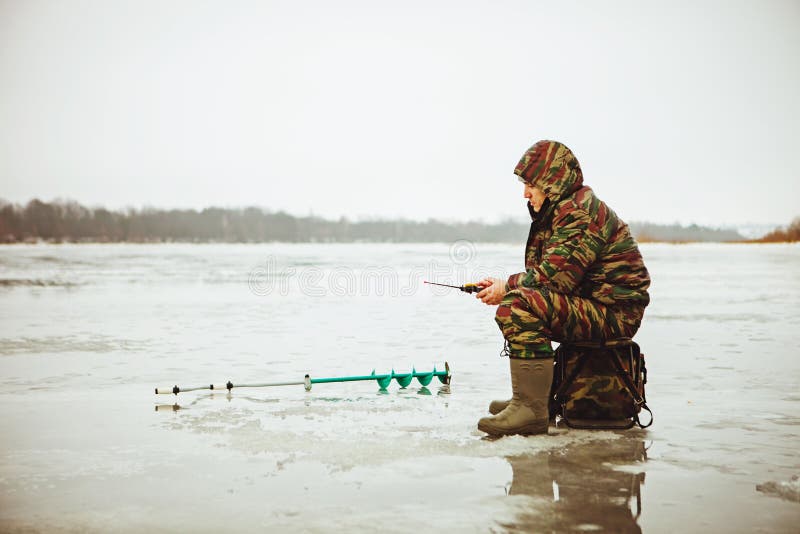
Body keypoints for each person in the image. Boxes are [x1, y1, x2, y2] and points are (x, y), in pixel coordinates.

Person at [474, 140, 650, 437]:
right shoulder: (564, 209)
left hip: (615, 315)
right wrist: (508, 285)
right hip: (597, 306)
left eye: (531, 184)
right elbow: (549, 275)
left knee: (518, 305)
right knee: (521, 299)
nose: (525, 193)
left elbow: (555, 279)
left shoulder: (579, 213)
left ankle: (530, 410)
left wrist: (508, 287)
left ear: (551, 182)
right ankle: (535, 400)